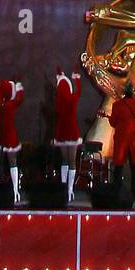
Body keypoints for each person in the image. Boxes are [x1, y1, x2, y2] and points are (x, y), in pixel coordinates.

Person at [109, 81, 135, 203]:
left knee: (118, 167)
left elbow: (113, 123)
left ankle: (116, 192)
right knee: (134, 168)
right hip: (134, 140)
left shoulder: (117, 105)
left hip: (121, 139)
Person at [0, 79, 24, 200]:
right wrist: (19, 85)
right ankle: (15, 192)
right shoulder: (11, 105)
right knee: (12, 163)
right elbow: (20, 98)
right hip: (9, 135)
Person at [52, 68, 82, 203]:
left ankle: (64, 189)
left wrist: (61, 76)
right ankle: (69, 190)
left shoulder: (58, 101)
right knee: (72, 162)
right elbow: (79, 91)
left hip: (62, 130)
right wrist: (76, 78)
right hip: (72, 130)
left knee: (65, 160)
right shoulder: (73, 99)